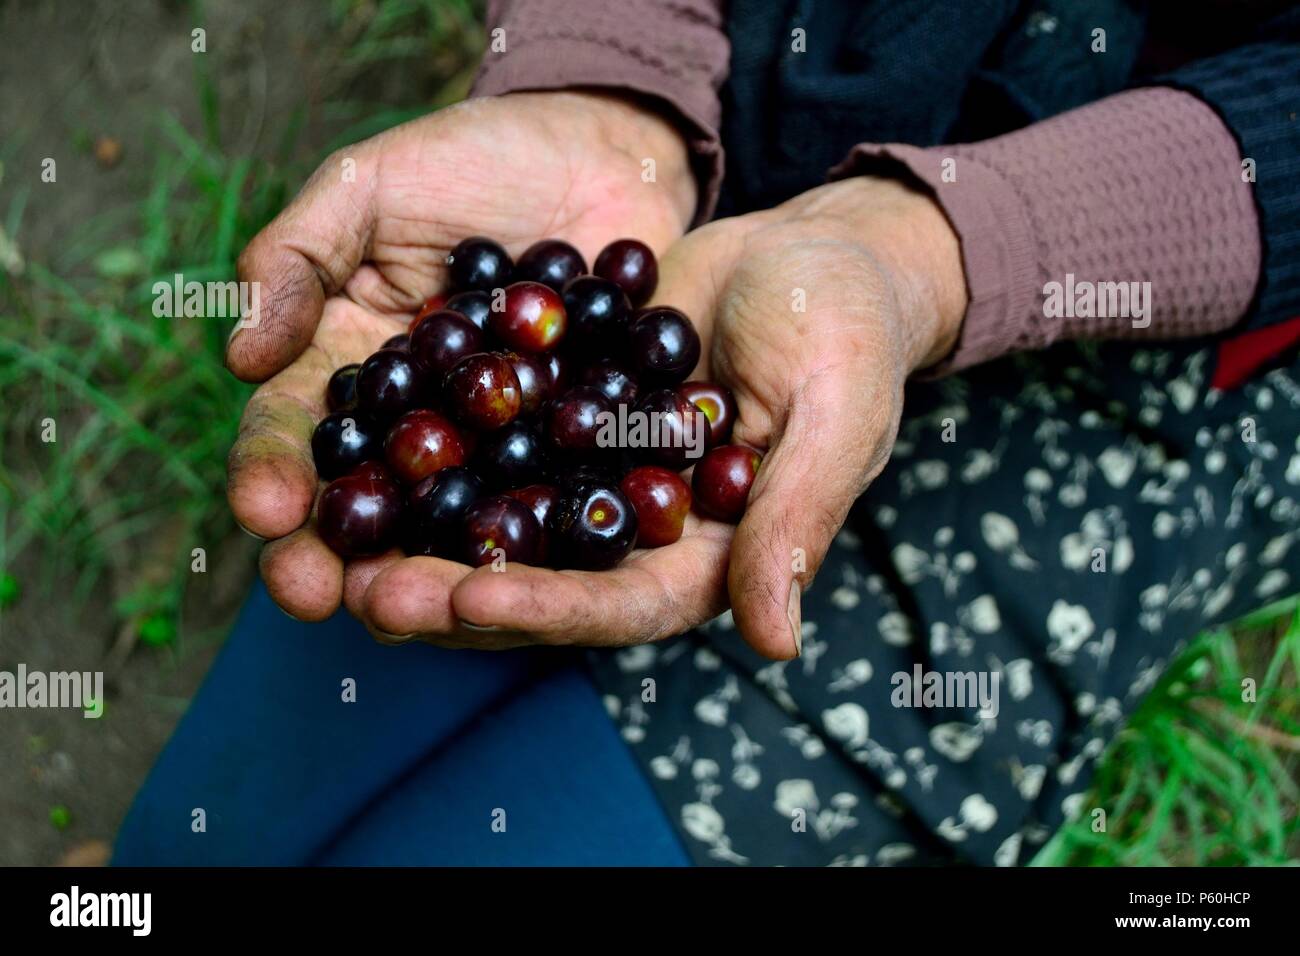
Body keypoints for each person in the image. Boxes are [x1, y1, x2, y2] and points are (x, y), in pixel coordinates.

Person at [115, 0, 1300, 866]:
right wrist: (612, 68)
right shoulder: (547, 385)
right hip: (742, 146)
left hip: (1153, 356)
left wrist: (940, 248)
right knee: (186, 842)